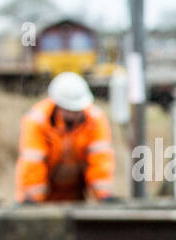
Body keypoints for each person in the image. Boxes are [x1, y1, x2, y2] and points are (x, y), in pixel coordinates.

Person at [15, 72, 114, 203]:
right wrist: (32, 202)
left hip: (77, 196)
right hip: (44, 198)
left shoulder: (95, 120)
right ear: (58, 106)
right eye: (69, 110)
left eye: (77, 110)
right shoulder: (38, 121)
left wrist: (104, 196)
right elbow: (33, 164)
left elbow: (100, 161)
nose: (73, 115)